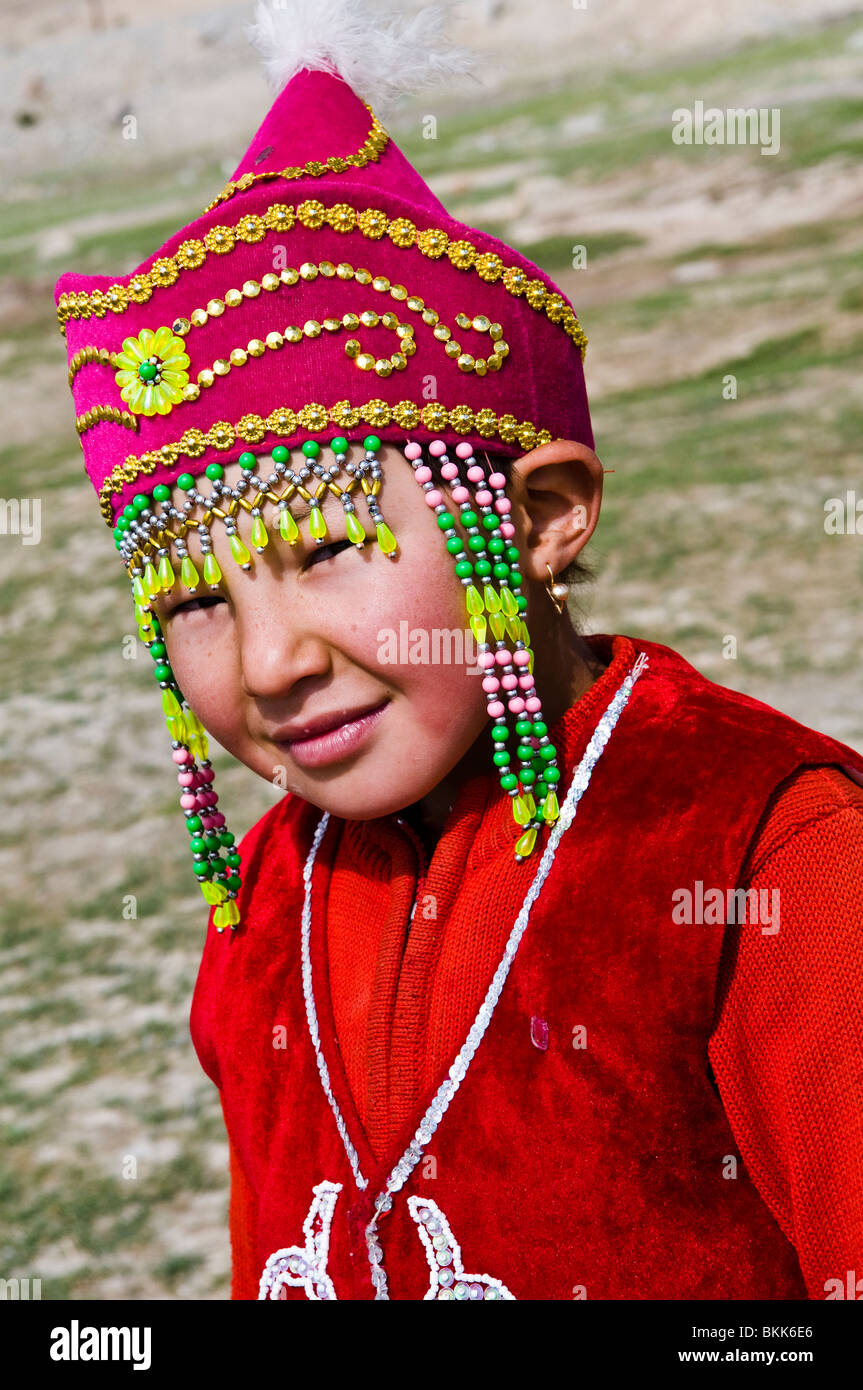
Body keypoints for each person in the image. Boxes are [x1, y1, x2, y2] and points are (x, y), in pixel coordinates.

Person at [54, 3, 863, 1301]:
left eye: (325, 547)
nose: (268, 663)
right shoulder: (267, 898)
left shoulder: (765, 854)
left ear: (542, 516)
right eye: (194, 601)